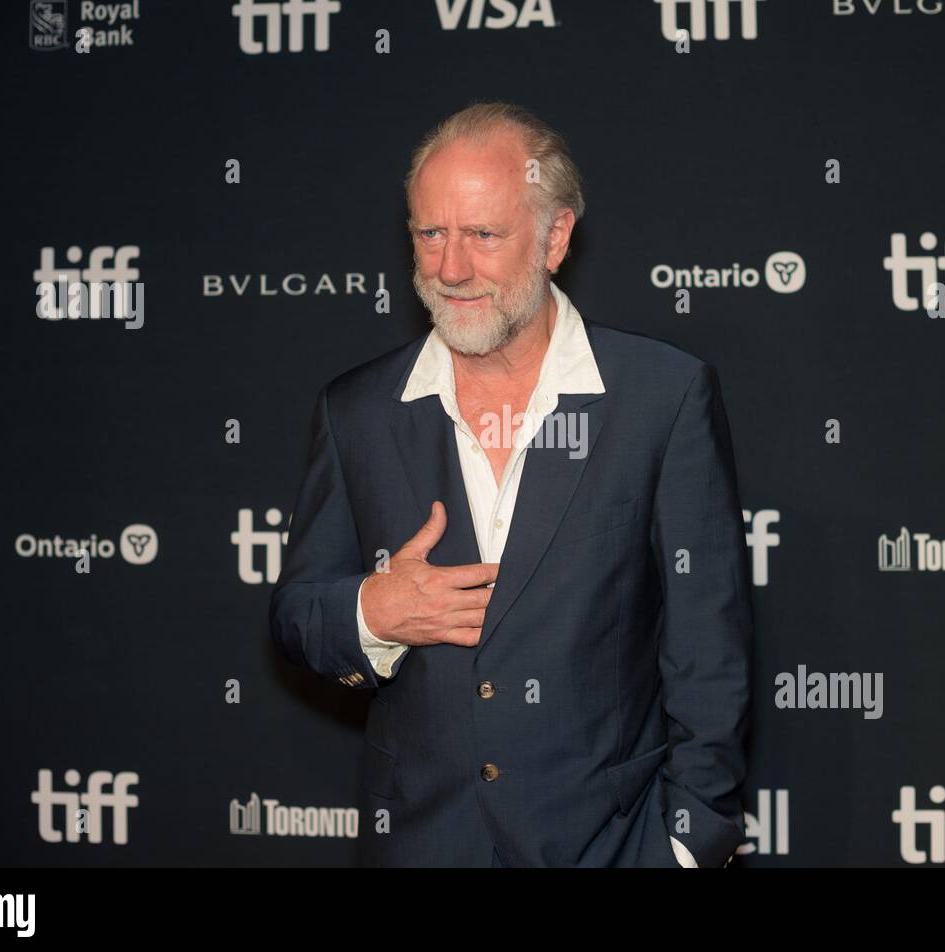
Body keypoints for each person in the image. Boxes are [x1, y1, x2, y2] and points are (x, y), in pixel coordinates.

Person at [270, 101, 753, 867]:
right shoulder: (357, 410)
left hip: (612, 845)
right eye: (431, 234)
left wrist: (689, 842)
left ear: (555, 237)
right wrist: (375, 608)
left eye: (483, 235)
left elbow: (709, 645)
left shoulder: (661, 396)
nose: (450, 267)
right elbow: (296, 614)